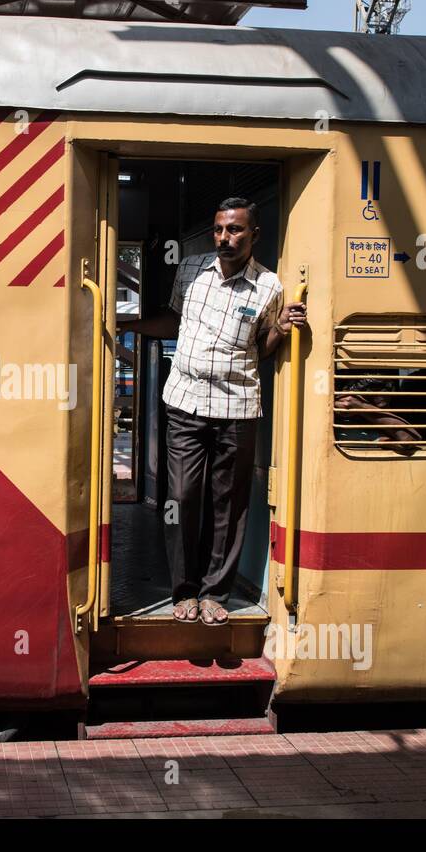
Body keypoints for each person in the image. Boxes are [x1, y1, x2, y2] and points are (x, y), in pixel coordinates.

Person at [123, 197, 306, 625]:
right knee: (183, 497)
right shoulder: (190, 269)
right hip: (184, 401)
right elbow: (174, 322)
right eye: (220, 229)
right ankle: (184, 590)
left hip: (237, 406)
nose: (225, 237)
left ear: (253, 234)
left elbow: (262, 349)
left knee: (229, 504)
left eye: (235, 230)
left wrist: (281, 328)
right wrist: (125, 326)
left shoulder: (269, 287)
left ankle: (214, 593)